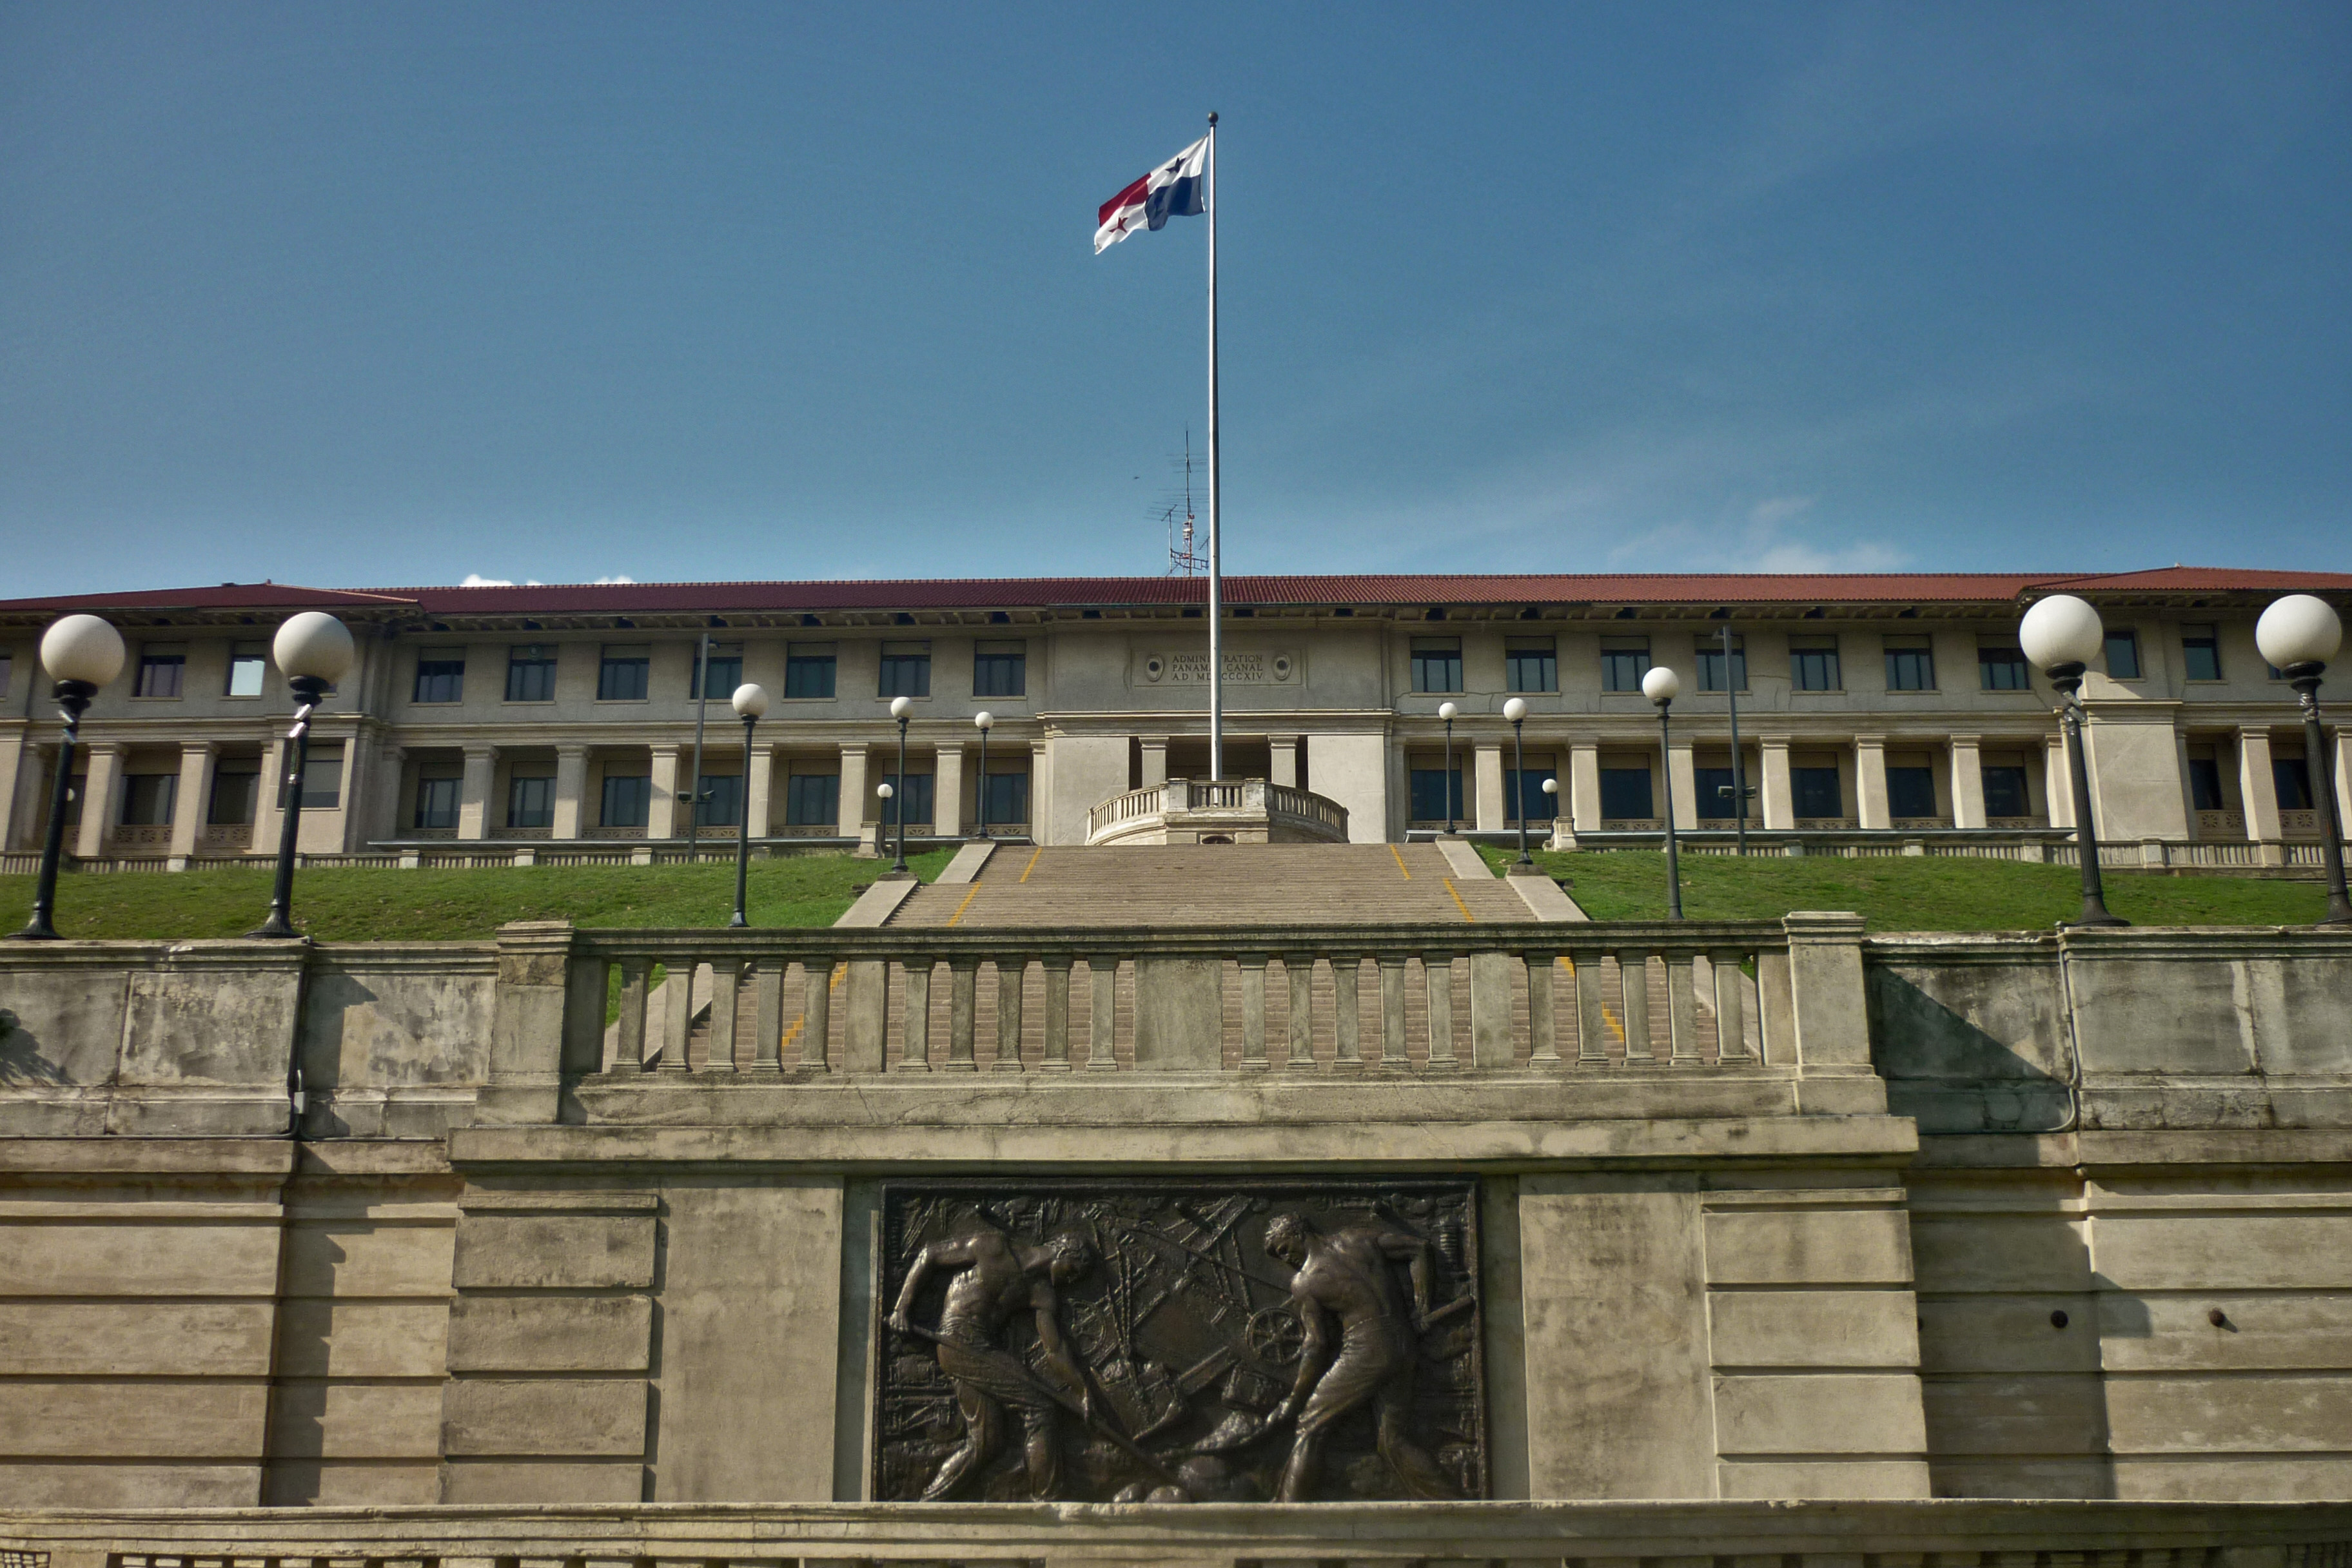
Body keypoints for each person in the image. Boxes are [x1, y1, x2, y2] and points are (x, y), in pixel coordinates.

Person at [889, 1226, 1095, 1500]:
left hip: (980, 1349)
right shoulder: (993, 1246)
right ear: (1064, 1252)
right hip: (958, 1339)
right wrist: (901, 1309)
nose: (1074, 1278)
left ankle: (929, 1502)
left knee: (986, 1443)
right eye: (1075, 1269)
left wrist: (1082, 1392)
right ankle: (1047, 1501)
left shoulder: (1041, 1292)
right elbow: (929, 1255)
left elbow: (1055, 1349)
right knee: (1040, 1407)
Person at [1262, 1211, 1453, 1502]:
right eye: (1279, 1256)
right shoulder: (1358, 1238)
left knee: (1310, 1425)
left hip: (1365, 1349)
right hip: (1403, 1343)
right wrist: (1421, 1307)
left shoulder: (1305, 1282)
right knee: (1393, 1442)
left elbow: (1316, 1345)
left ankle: (1288, 1512)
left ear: (1297, 1233)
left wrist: (1296, 1397)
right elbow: (1418, 1248)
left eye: (1284, 1249)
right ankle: (1452, 1503)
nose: (1285, 1259)